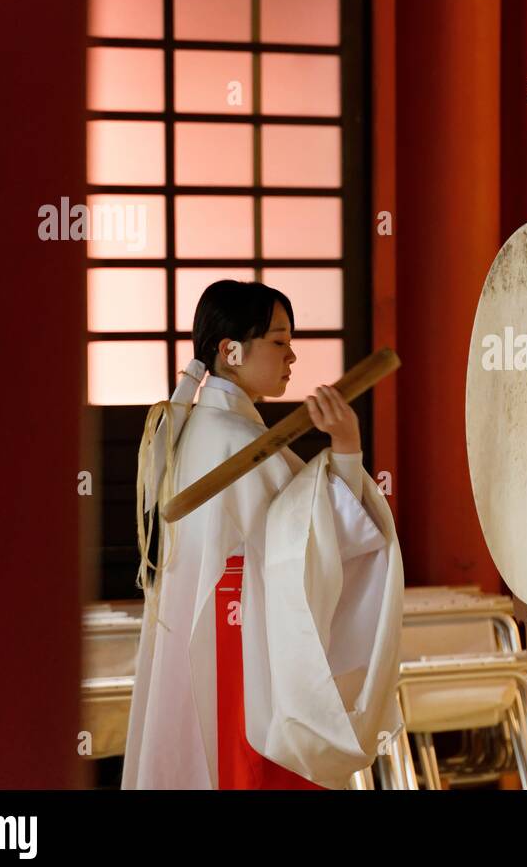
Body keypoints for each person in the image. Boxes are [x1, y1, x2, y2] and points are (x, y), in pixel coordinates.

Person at [122, 280, 403, 790]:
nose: (291, 355)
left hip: (216, 627)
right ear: (231, 351)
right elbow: (317, 537)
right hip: (240, 635)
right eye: (278, 341)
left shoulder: (192, 432)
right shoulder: (231, 439)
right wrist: (346, 447)